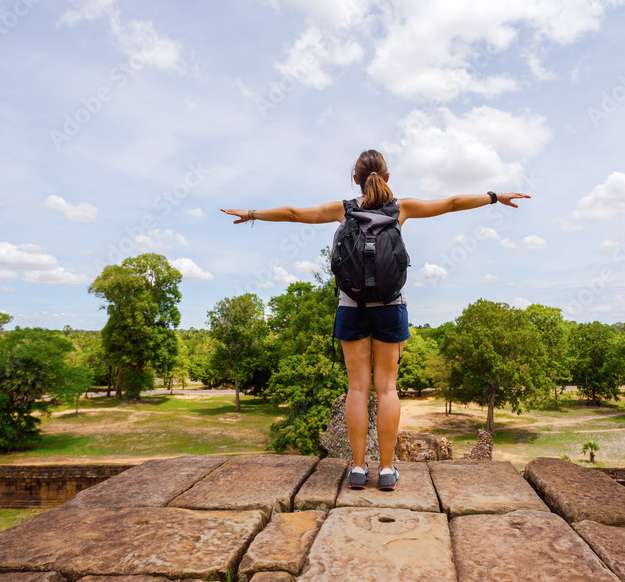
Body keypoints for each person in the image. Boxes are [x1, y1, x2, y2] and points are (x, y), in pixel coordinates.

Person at [221, 149, 529, 490]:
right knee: (387, 389)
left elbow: (294, 213)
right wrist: (493, 197)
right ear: (387, 177)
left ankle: (356, 468)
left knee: (357, 387)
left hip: (351, 306)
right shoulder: (402, 208)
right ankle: (385, 470)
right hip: (389, 306)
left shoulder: (344, 209)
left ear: (355, 178)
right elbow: (453, 203)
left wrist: (251, 214)